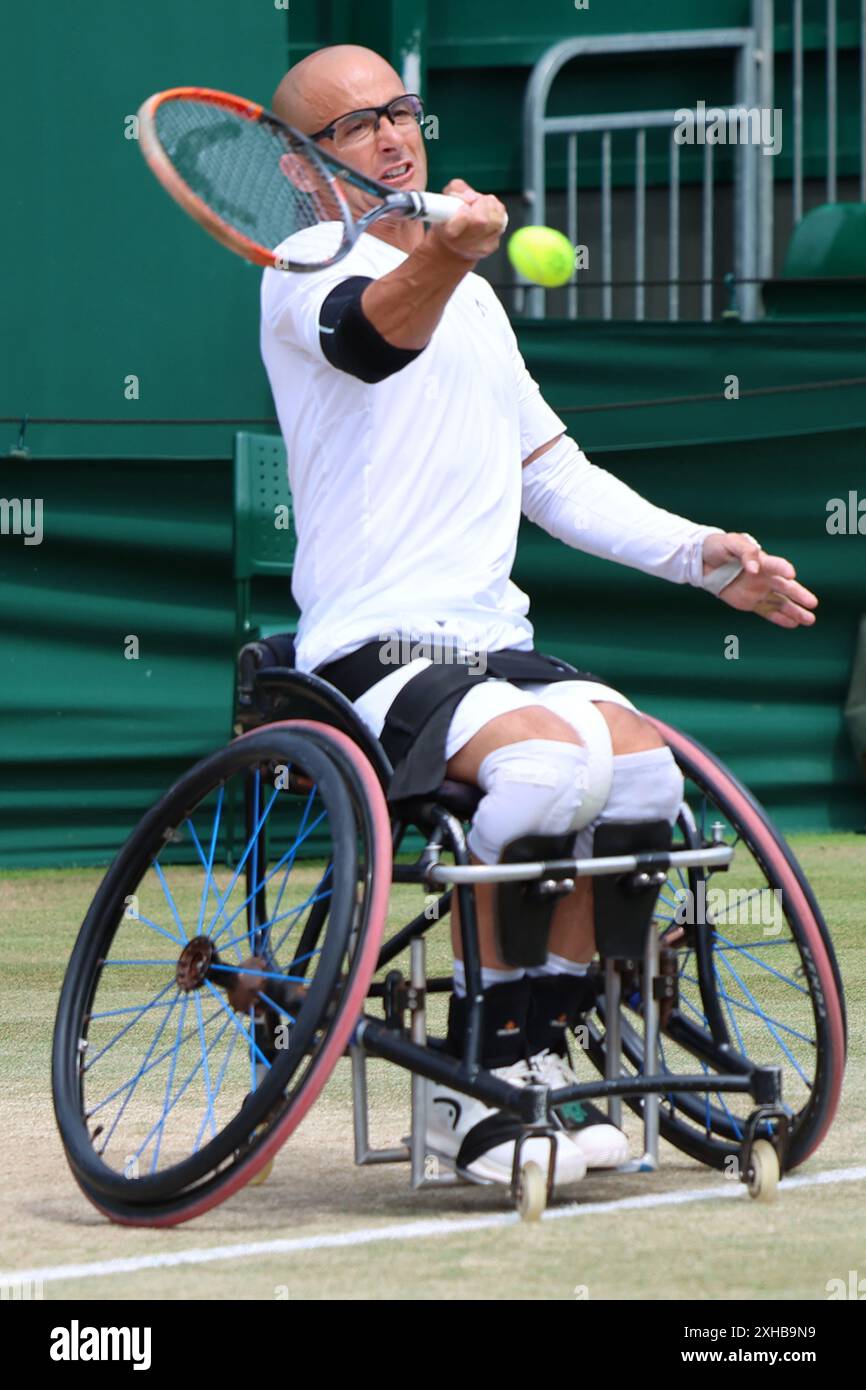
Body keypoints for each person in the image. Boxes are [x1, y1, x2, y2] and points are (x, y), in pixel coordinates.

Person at [259, 44, 818, 1188]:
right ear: (302, 169)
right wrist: (450, 253)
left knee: (642, 774)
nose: (391, 138)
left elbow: (551, 475)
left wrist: (700, 559)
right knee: (547, 771)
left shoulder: (473, 302)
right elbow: (370, 341)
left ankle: (540, 1056)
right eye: (355, 127)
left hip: (489, 645)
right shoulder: (303, 268)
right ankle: (472, 1087)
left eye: (400, 113)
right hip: (369, 646)